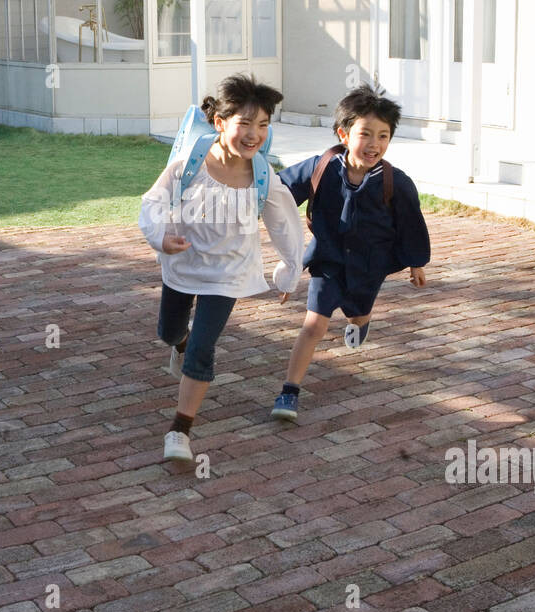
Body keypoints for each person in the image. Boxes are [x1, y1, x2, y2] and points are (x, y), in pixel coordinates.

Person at [139, 74, 304, 463]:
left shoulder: (262, 176)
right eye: (244, 123)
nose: (254, 134)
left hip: (228, 275)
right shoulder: (188, 164)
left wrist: (289, 268)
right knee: (169, 333)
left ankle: (180, 429)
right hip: (183, 266)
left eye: (263, 125)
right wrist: (161, 239)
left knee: (202, 348)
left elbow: (284, 223)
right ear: (220, 123)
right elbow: (152, 204)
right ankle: (179, 343)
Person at [270, 84, 430, 421]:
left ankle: (362, 320)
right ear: (344, 133)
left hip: (369, 266)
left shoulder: (395, 182)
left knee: (357, 314)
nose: (374, 144)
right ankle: (289, 391)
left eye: (383, 136)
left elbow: (411, 222)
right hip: (327, 261)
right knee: (313, 326)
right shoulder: (321, 168)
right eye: (366, 134)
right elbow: (279, 193)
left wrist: (416, 262)